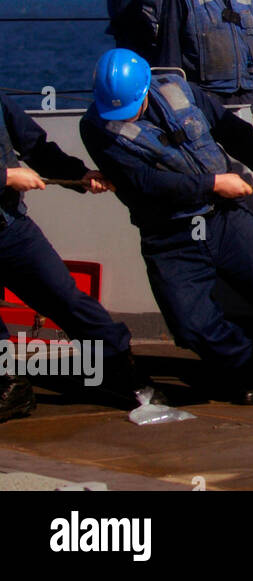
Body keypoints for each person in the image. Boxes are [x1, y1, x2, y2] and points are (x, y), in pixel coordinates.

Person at [80, 49, 253, 404]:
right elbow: (146, 184)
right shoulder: (96, 128)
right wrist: (214, 183)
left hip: (223, 217)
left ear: (145, 89)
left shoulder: (182, 91)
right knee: (190, 325)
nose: (125, 116)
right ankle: (252, 366)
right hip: (170, 236)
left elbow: (233, 132)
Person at [0, 92, 162, 422]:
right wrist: (5, 177)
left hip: (9, 226)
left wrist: (80, 175)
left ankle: (119, 369)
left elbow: (35, 146)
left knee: (64, 296)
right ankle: (10, 387)